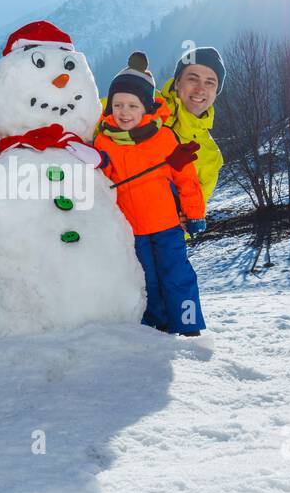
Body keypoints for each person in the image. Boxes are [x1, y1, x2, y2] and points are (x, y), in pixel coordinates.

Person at [93, 53, 207, 336]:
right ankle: (158, 327)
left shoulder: (164, 138)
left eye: (133, 105)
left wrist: (194, 214)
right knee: (147, 281)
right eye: (118, 104)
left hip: (167, 226)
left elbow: (187, 180)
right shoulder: (104, 142)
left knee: (176, 276)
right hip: (133, 232)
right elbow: (100, 187)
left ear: (146, 107)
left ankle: (188, 324)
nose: (124, 111)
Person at [160, 46, 226, 209]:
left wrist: (186, 220)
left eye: (210, 82)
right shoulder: (144, 103)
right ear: (177, 82)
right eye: (193, 79)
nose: (200, 89)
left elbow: (194, 211)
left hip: (152, 232)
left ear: (216, 92)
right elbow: (91, 112)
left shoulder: (211, 156)